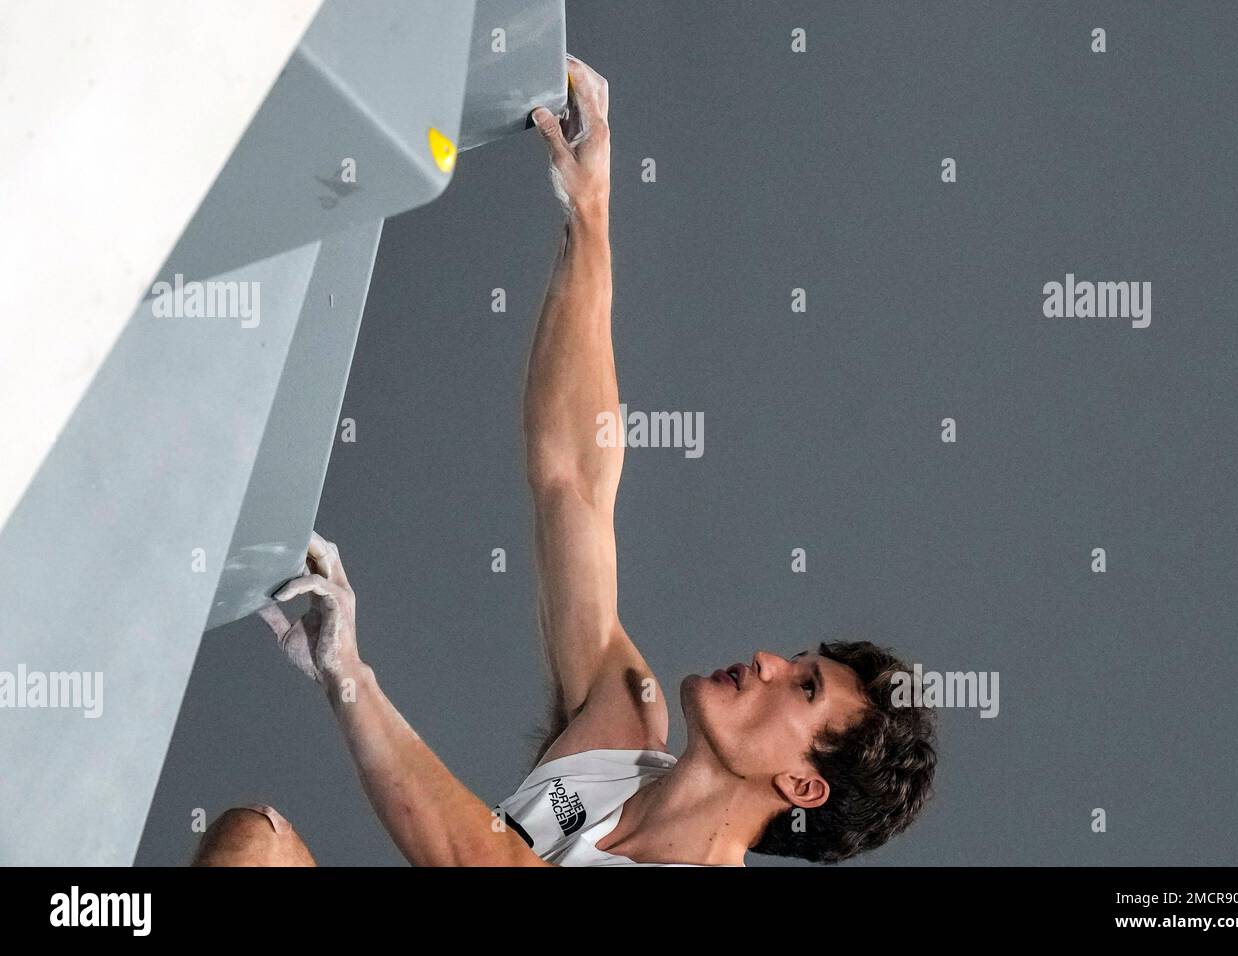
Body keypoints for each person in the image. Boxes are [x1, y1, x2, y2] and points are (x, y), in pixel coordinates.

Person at [195, 56, 936, 868]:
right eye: (797, 661)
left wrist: (350, 678)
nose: (766, 661)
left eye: (802, 689)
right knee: (250, 845)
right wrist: (591, 215)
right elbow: (572, 483)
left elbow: (484, 864)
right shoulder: (622, 731)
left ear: (802, 788)